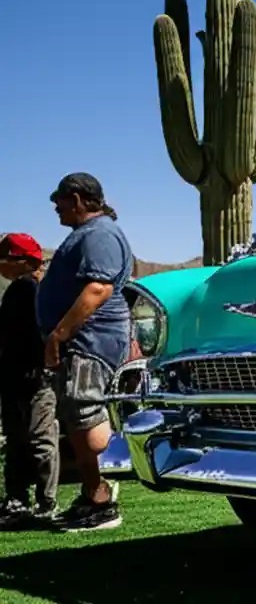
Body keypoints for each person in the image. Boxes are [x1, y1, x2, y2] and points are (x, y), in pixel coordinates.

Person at [37, 173, 134, 532]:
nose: (56, 208)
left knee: (84, 411)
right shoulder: (89, 234)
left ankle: (101, 500)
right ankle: (93, 493)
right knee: (77, 413)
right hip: (82, 339)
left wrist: (59, 334)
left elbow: (98, 288)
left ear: (77, 199)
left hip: (91, 338)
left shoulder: (99, 234)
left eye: (59, 201)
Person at [0, 233, 60, 528]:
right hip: (23, 378)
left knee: (35, 441)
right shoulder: (28, 290)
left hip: (30, 379)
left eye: (4, 258)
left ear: (22, 261)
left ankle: (36, 502)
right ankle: (30, 501)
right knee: (27, 442)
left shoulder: (27, 290)